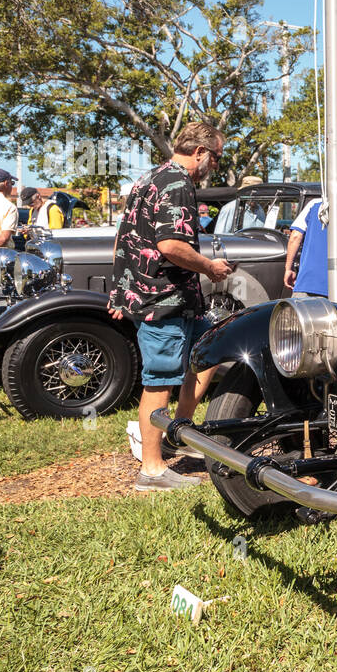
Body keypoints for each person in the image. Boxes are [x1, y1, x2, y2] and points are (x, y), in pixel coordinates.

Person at [108, 121, 233, 491]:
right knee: (159, 381)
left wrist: (120, 292)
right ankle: (152, 469)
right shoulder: (177, 184)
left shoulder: (149, 178)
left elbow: (125, 235)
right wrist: (211, 267)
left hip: (172, 299)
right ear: (200, 152)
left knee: (209, 350)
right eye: (217, 157)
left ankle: (180, 432)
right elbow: (170, 246)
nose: (216, 165)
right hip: (162, 301)